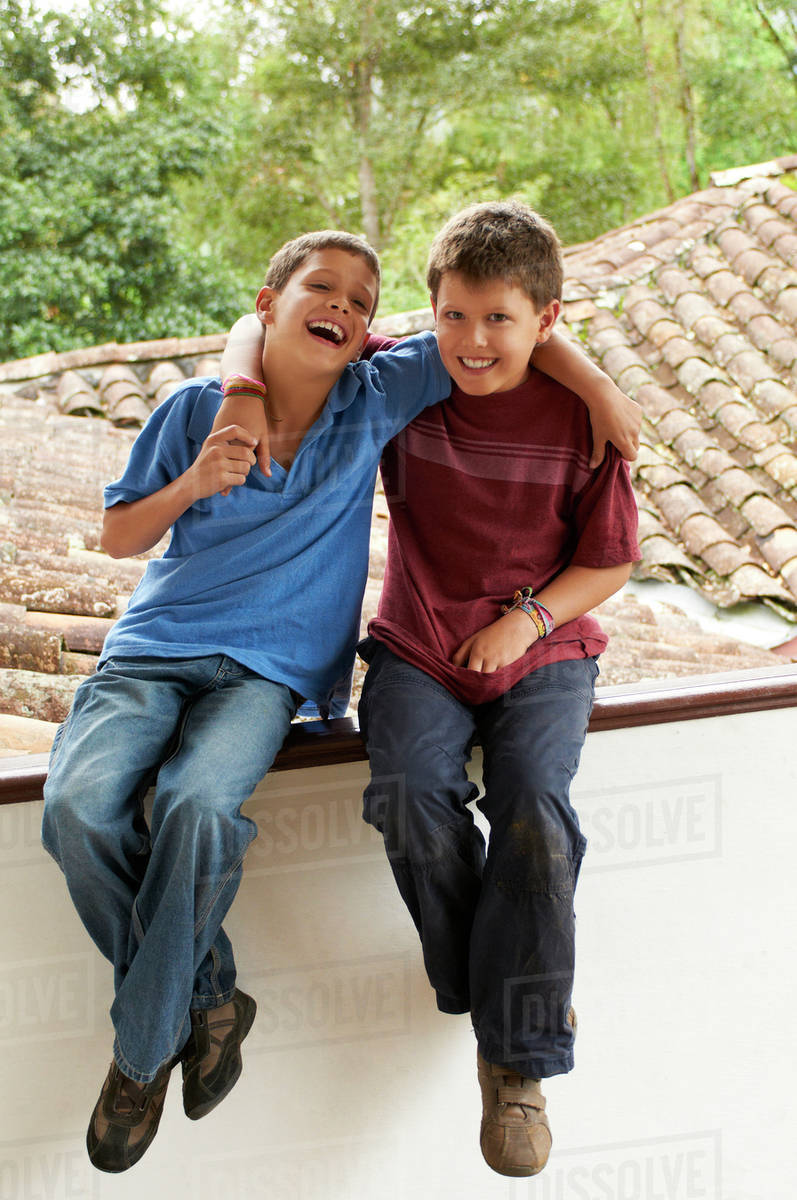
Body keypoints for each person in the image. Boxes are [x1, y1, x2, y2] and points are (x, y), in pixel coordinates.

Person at [218, 203, 640, 1180]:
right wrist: (245, 377)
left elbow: (608, 562)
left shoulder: (580, 420)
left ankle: (516, 1063)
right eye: (452, 315)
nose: (472, 341)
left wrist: (522, 621)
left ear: (546, 317)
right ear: (428, 312)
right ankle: (502, 994)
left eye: (497, 319)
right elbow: (265, 320)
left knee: (533, 806)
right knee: (406, 792)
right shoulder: (405, 379)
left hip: (544, 648)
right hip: (417, 642)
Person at [41, 229, 460, 1174]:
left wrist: (597, 387)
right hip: (154, 652)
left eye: (362, 300)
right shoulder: (196, 408)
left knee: (196, 804)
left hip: (269, 675)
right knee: (75, 812)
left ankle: (140, 1058)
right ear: (268, 303)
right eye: (323, 288)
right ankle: (211, 997)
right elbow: (116, 536)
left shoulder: (373, 399)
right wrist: (197, 477)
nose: (344, 308)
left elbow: (500, 319)